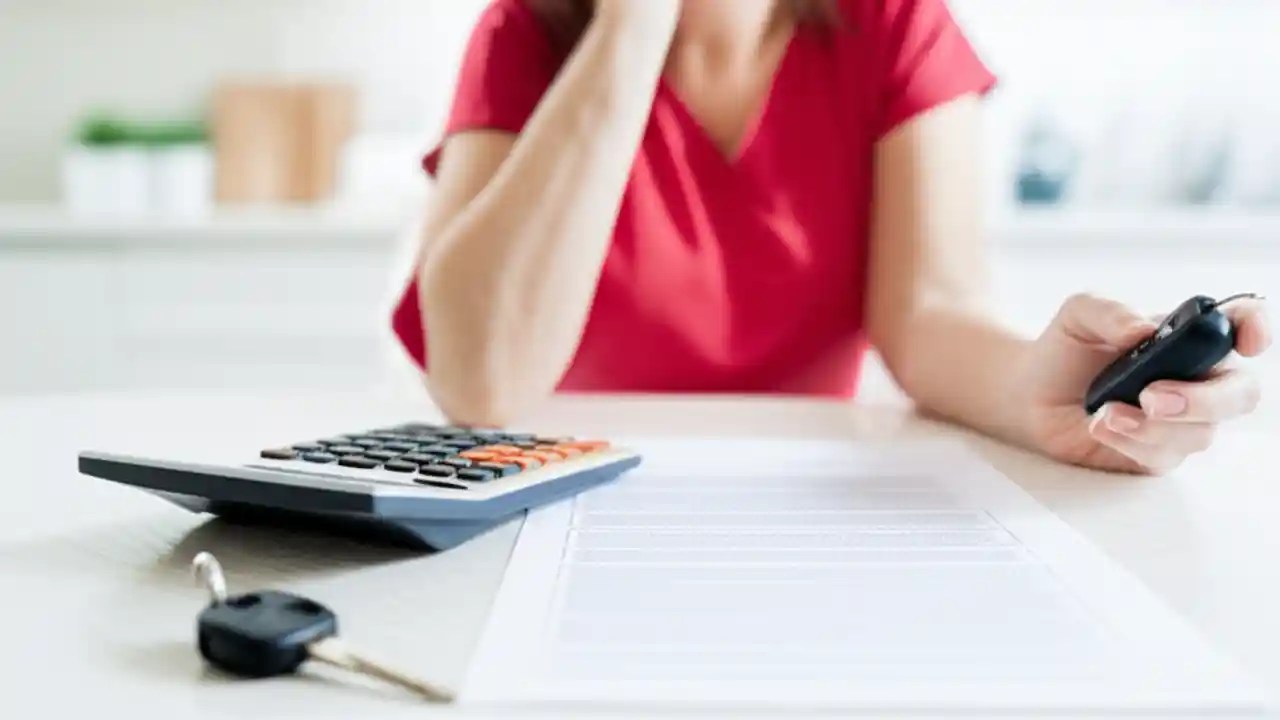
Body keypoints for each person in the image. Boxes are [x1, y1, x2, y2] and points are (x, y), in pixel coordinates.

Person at [391, 0, 1271, 475]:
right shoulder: (520, 32)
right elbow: (481, 378)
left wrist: (1043, 398)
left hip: (808, 493)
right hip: (565, 493)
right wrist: (631, 22)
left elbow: (929, 319)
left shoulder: (894, 24)